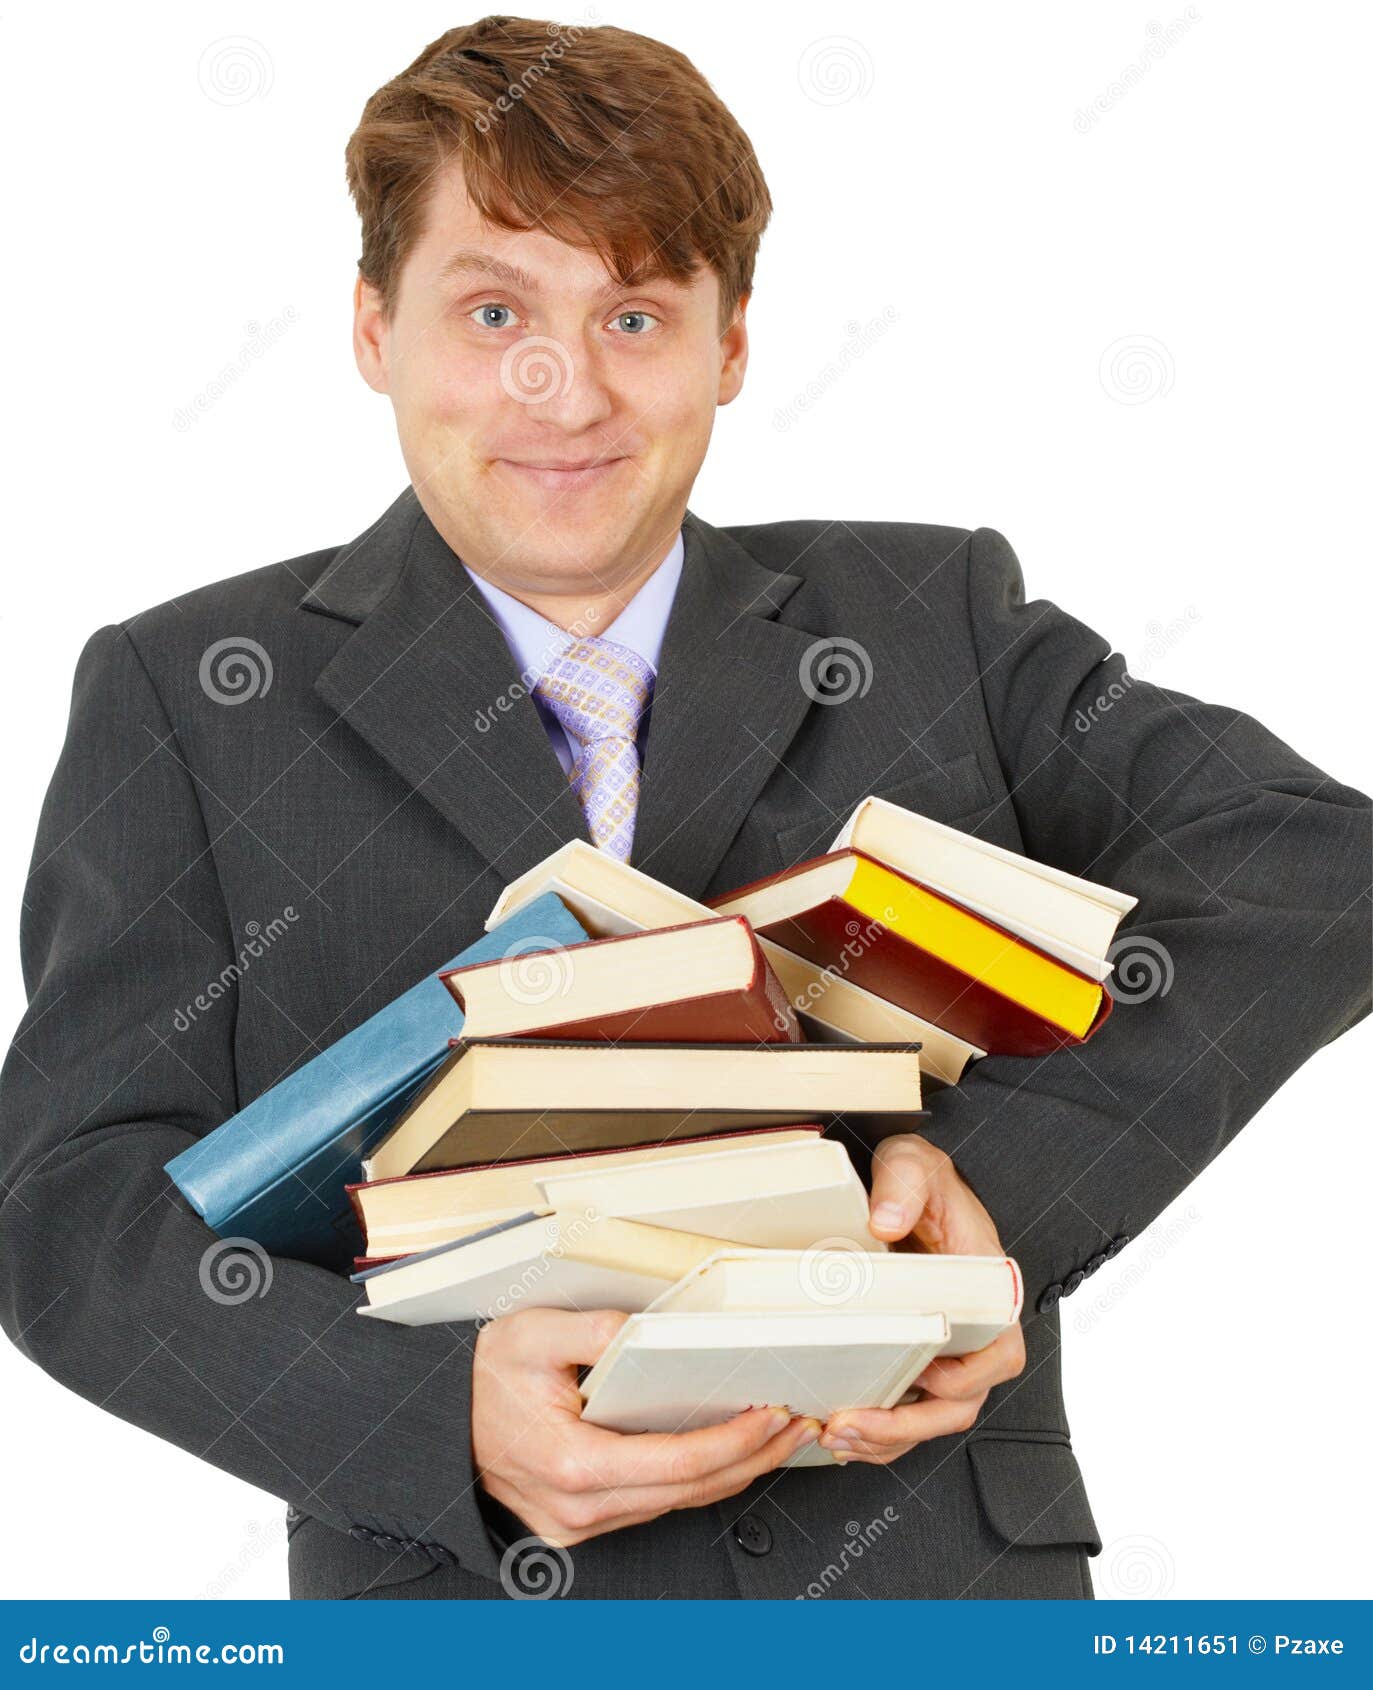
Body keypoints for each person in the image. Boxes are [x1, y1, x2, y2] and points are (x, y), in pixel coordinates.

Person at [0, 16, 1367, 1602]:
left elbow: (1314, 862)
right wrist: (430, 1417)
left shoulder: (937, 621)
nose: (561, 391)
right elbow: (72, 1205)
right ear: (374, 328)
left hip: (923, 1597)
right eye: (493, 307)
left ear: (729, 344)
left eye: (634, 313)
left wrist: (990, 1186)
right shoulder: (188, 694)